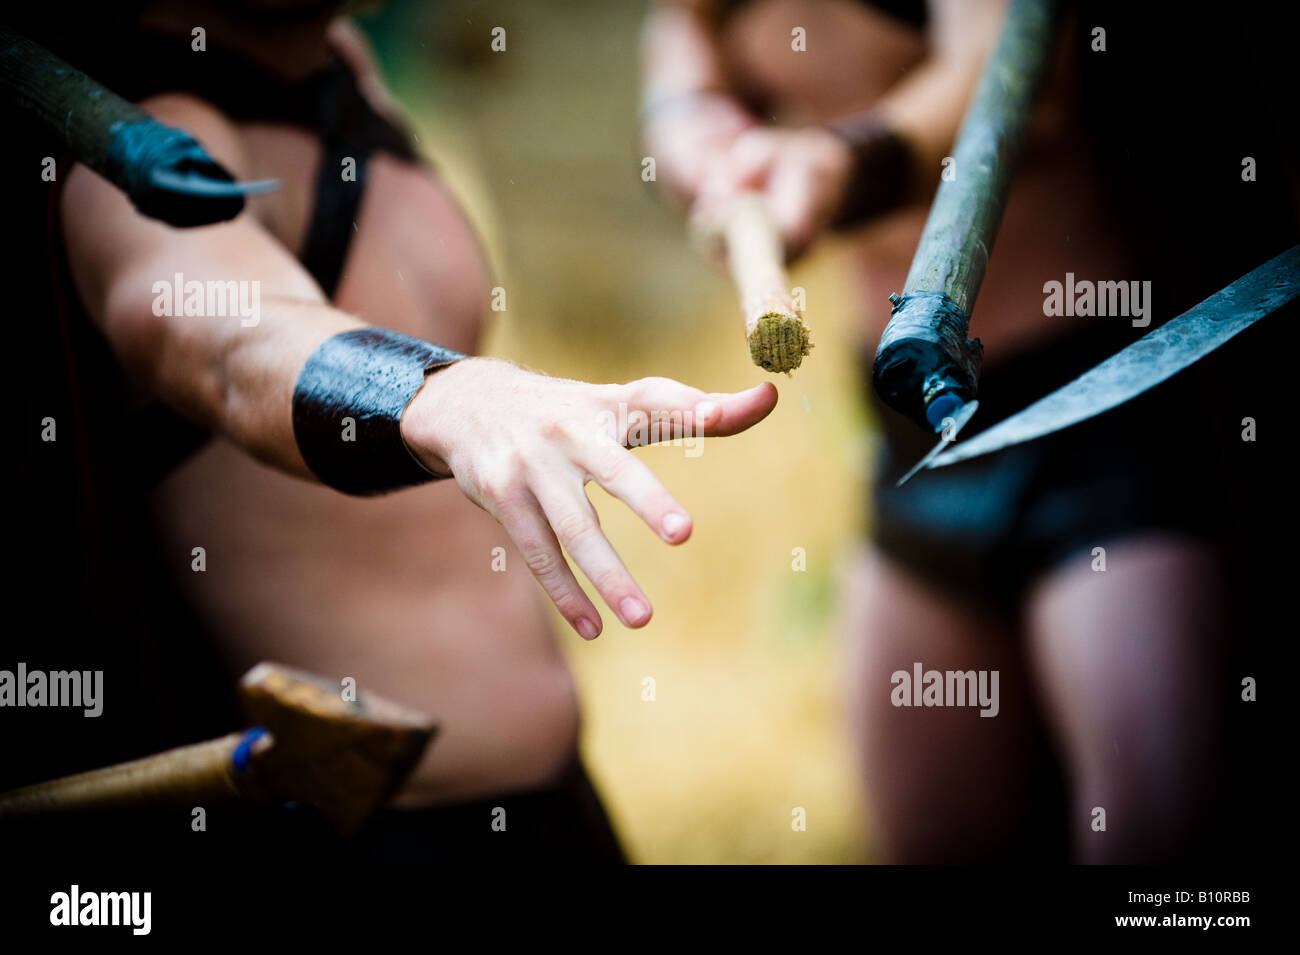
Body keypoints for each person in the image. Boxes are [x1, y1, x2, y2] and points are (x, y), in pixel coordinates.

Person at [2, 0, 775, 862]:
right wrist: (447, 398)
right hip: (369, 833)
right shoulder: (151, 147)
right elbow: (228, 340)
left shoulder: (336, 64)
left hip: (552, 801)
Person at [643, 0, 1296, 861]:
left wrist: (841, 166)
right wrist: (691, 129)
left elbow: (1019, 83)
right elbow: (678, 36)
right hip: (909, 443)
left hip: (1096, 415)